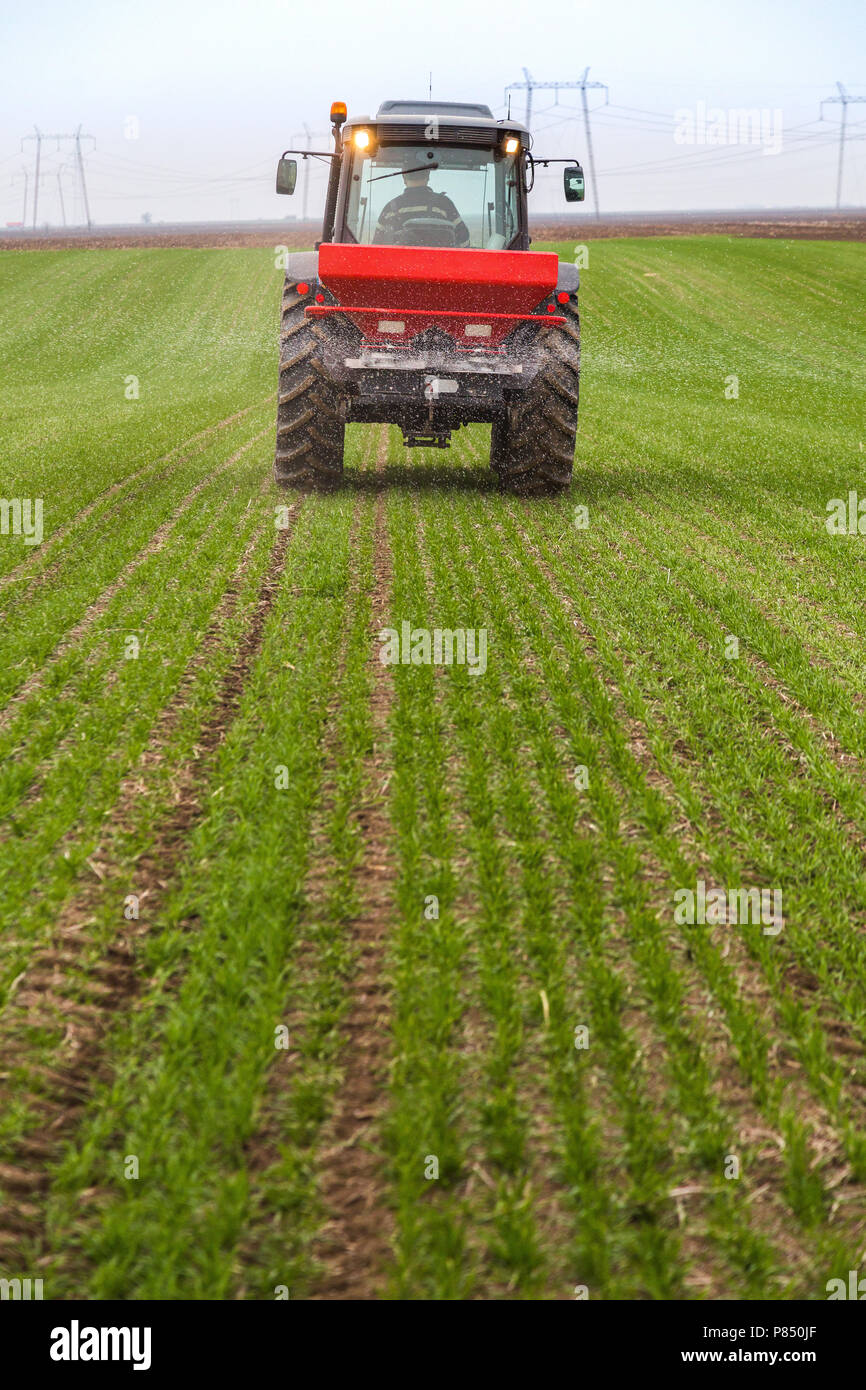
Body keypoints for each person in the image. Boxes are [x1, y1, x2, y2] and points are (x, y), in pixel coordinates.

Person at [373, 158, 471, 247]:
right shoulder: (444, 204)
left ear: (403, 177)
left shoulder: (390, 208)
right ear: (428, 175)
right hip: (440, 265)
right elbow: (464, 239)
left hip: (400, 266)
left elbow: (376, 247)